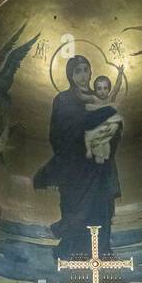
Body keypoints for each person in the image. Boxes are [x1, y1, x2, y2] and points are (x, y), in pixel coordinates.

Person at [33, 55, 123, 259]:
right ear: (70, 76)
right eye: (77, 71)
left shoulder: (99, 96)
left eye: (85, 69)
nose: (83, 75)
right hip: (73, 166)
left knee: (101, 208)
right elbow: (56, 134)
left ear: (91, 72)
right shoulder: (62, 100)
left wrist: (107, 134)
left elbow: (115, 124)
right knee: (74, 207)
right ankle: (72, 250)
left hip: (99, 166)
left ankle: (101, 251)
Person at [84, 75, 123, 164]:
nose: (102, 91)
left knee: (114, 126)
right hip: (97, 126)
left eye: (105, 88)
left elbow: (117, 87)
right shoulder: (94, 99)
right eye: (99, 88)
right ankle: (95, 152)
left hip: (107, 127)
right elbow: (83, 98)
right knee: (92, 137)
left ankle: (101, 154)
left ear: (109, 90)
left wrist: (120, 74)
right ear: (95, 90)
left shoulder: (109, 99)